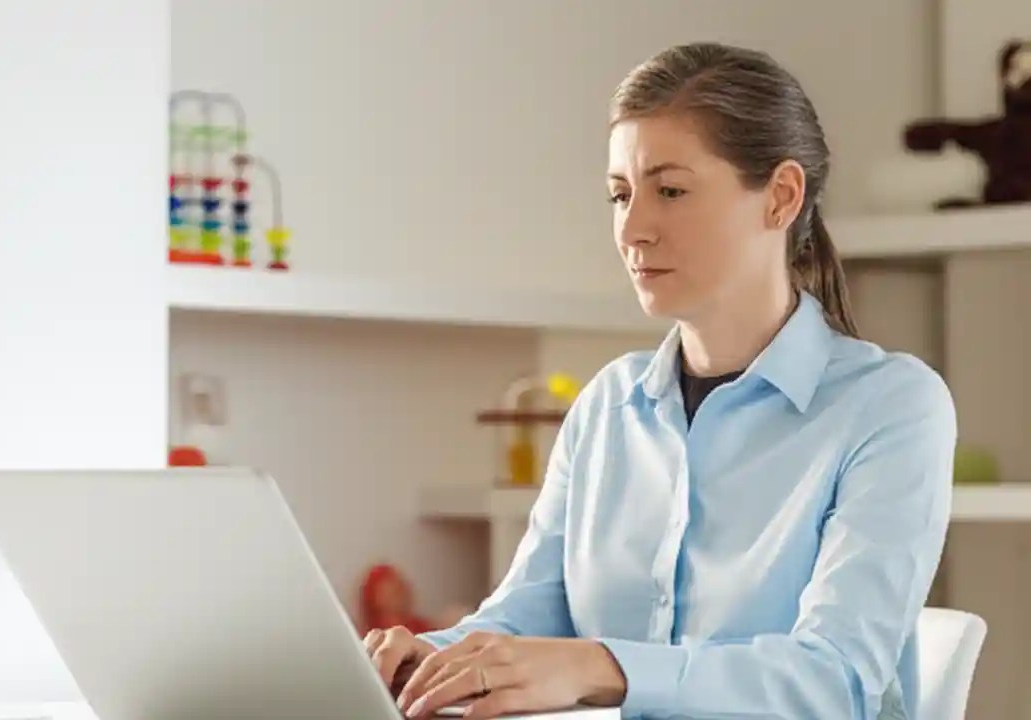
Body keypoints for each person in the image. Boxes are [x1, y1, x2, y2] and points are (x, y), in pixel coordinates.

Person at [363, 42, 955, 720]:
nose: (633, 229)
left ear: (782, 197)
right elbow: (524, 618)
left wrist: (600, 665)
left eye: (670, 191)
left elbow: (835, 680)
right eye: (620, 195)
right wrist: (422, 660)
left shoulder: (891, 406)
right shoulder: (607, 406)